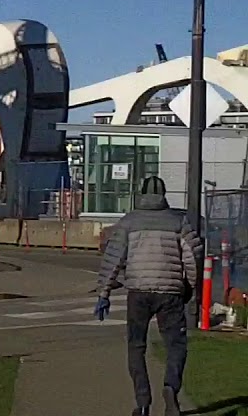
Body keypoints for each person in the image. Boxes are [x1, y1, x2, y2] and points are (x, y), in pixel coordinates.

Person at [96, 176, 202, 416]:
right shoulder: (179, 221)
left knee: (136, 346)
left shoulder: (129, 222)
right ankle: (170, 388)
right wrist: (189, 287)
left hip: (138, 292)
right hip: (170, 292)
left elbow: (114, 257)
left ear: (140, 193)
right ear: (164, 194)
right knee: (176, 345)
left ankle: (143, 403)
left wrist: (104, 292)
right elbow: (192, 257)